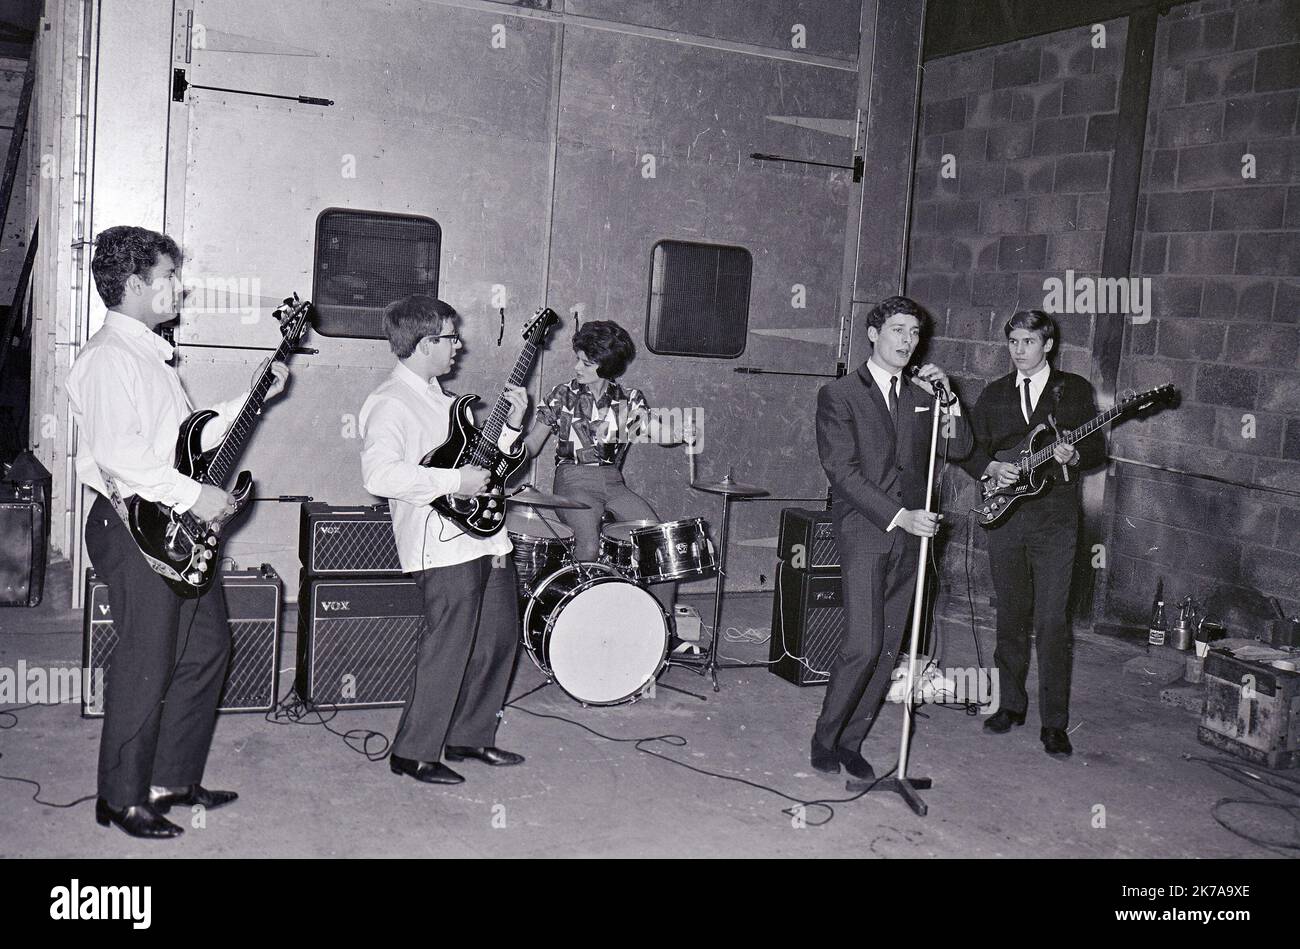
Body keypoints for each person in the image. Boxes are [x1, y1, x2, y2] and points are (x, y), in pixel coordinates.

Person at [68, 225, 289, 839]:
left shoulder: (147, 355)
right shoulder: (109, 357)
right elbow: (121, 456)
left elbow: (180, 441)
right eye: (169, 276)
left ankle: (170, 779)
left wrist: (255, 395)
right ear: (135, 284)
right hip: (133, 525)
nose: (178, 286)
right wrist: (198, 496)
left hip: (167, 525)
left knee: (206, 648)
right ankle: (120, 797)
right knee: (146, 662)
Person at [360, 294, 530, 785]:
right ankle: (413, 752)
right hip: (441, 543)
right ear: (423, 343)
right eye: (450, 337)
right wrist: (454, 484)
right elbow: (379, 475)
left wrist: (512, 427)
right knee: (448, 647)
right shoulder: (390, 401)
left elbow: (484, 467)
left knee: (497, 639)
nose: (458, 346)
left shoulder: (445, 400)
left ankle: (470, 736)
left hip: (485, 538)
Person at [811, 296, 972, 780]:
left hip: (914, 535)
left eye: (914, 333)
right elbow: (842, 471)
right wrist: (899, 515)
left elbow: (960, 447)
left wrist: (951, 401)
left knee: (887, 649)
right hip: (868, 530)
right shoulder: (839, 395)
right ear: (873, 334)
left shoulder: (923, 395)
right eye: (898, 330)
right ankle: (825, 737)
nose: (907, 341)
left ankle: (852, 742)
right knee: (863, 642)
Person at [961, 310, 1102, 758]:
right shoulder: (995, 394)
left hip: (1056, 521)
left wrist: (1074, 454)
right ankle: (1010, 705)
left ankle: (1055, 724)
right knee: (1011, 617)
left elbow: (1097, 450)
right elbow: (967, 446)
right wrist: (989, 469)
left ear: (1048, 345)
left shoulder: (1073, 390)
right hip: (1006, 519)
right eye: (1013, 342)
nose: (1019, 350)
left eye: (1028, 341)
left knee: (1052, 622)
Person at [522, 320, 690, 615]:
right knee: (587, 548)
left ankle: (661, 625)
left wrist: (679, 434)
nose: (577, 367)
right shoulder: (562, 395)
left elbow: (657, 431)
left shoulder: (629, 399)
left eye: (586, 363)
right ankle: (577, 619)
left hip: (613, 482)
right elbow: (532, 445)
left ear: (607, 366)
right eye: (578, 358)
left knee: (660, 545)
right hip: (572, 479)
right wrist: (508, 443)